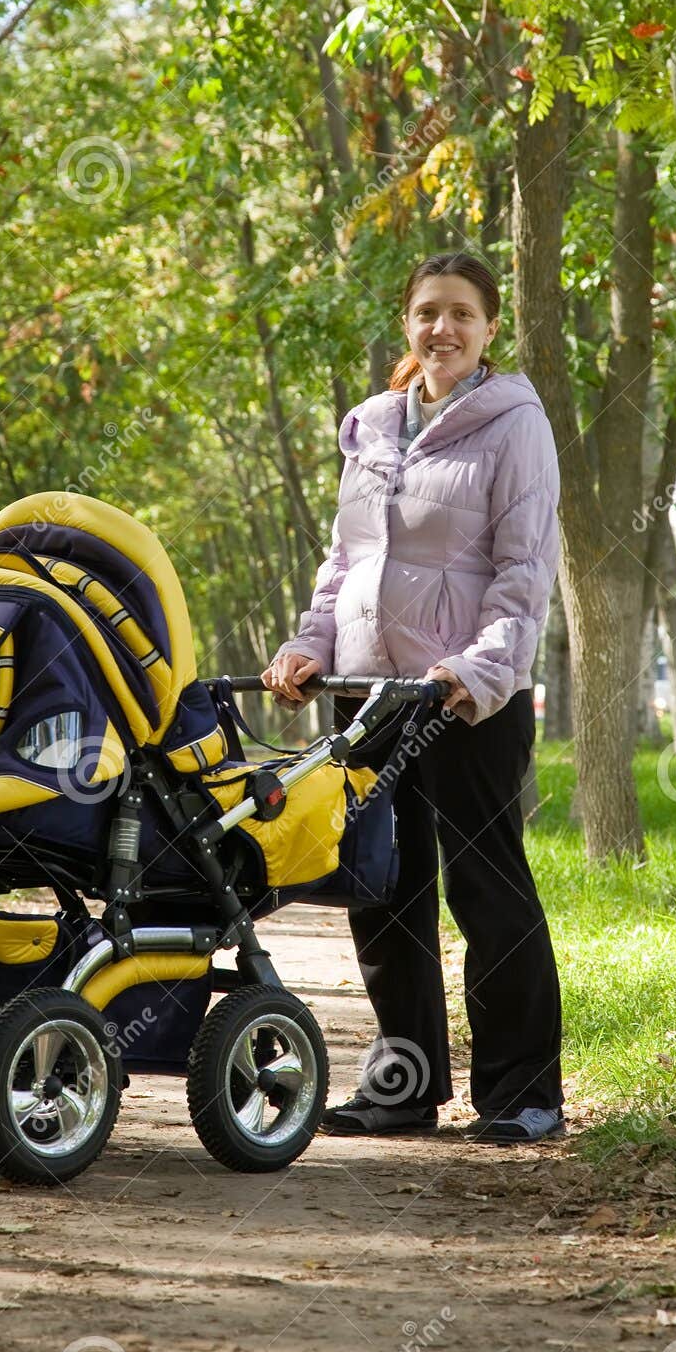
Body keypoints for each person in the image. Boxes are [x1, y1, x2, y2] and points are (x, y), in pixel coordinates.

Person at [262, 251, 563, 1144]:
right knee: (381, 889)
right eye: (428, 312)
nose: (443, 328)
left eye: (461, 314)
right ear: (406, 322)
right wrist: (307, 649)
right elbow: (343, 566)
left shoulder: (515, 427)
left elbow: (523, 572)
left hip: (464, 701)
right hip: (368, 696)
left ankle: (520, 1098)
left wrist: (471, 673)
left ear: (488, 328)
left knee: (486, 888)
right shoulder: (369, 428)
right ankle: (403, 1087)